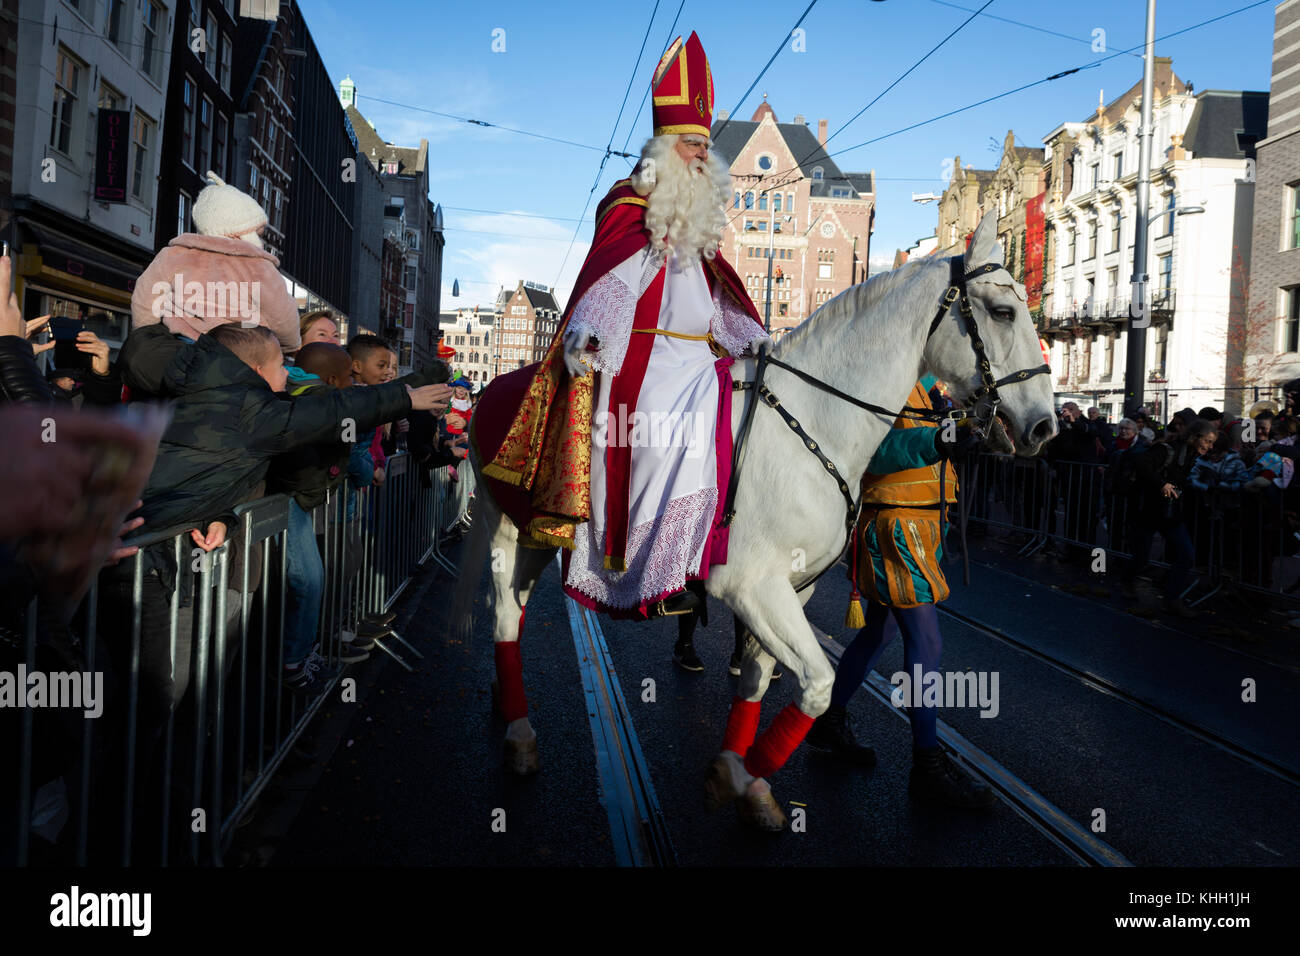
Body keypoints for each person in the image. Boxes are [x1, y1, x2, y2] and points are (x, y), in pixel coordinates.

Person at [482, 31, 767, 624]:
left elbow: (718, 307)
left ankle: (723, 545)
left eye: (705, 146)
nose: (700, 156)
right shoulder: (631, 207)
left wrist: (757, 343)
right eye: (690, 144)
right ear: (663, 147)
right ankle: (650, 567)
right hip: (643, 362)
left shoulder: (697, 229)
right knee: (676, 422)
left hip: (697, 359)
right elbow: (606, 287)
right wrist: (589, 333)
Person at [804, 381, 993, 808]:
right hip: (897, 527)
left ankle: (830, 721)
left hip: (919, 522)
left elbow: (934, 438)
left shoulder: (924, 389)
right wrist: (945, 436)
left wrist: (969, 425)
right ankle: (927, 767)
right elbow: (876, 452)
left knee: (878, 633)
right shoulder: (885, 376)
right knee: (926, 641)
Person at [267, 342, 375, 694]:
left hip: (297, 503)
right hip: (290, 503)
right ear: (331, 379)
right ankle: (294, 664)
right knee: (310, 580)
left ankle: (298, 659)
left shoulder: (303, 399)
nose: (352, 382)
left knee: (312, 580)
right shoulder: (315, 406)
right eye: (347, 378)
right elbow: (344, 459)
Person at [130, 171, 301, 353]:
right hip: (243, 351)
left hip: (182, 346)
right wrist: (291, 344)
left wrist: (146, 336)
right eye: (258, 233)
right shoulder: (259, 267)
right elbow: (283, 316)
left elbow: (145, 298)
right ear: (239, 231)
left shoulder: (173, 255)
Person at [1123, 418, 1218, 617]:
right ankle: (1128, 582)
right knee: (1141, 557)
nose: (1210, 447)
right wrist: (1162, 484)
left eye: (1212, 443)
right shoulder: (1168, 449)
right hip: (1148, 511)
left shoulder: (1191, 455)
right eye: (1207, 441)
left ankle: (1172, 599)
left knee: (1186, 555)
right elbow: (1141, 463)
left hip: (1170, 513)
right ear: (1195, 437)